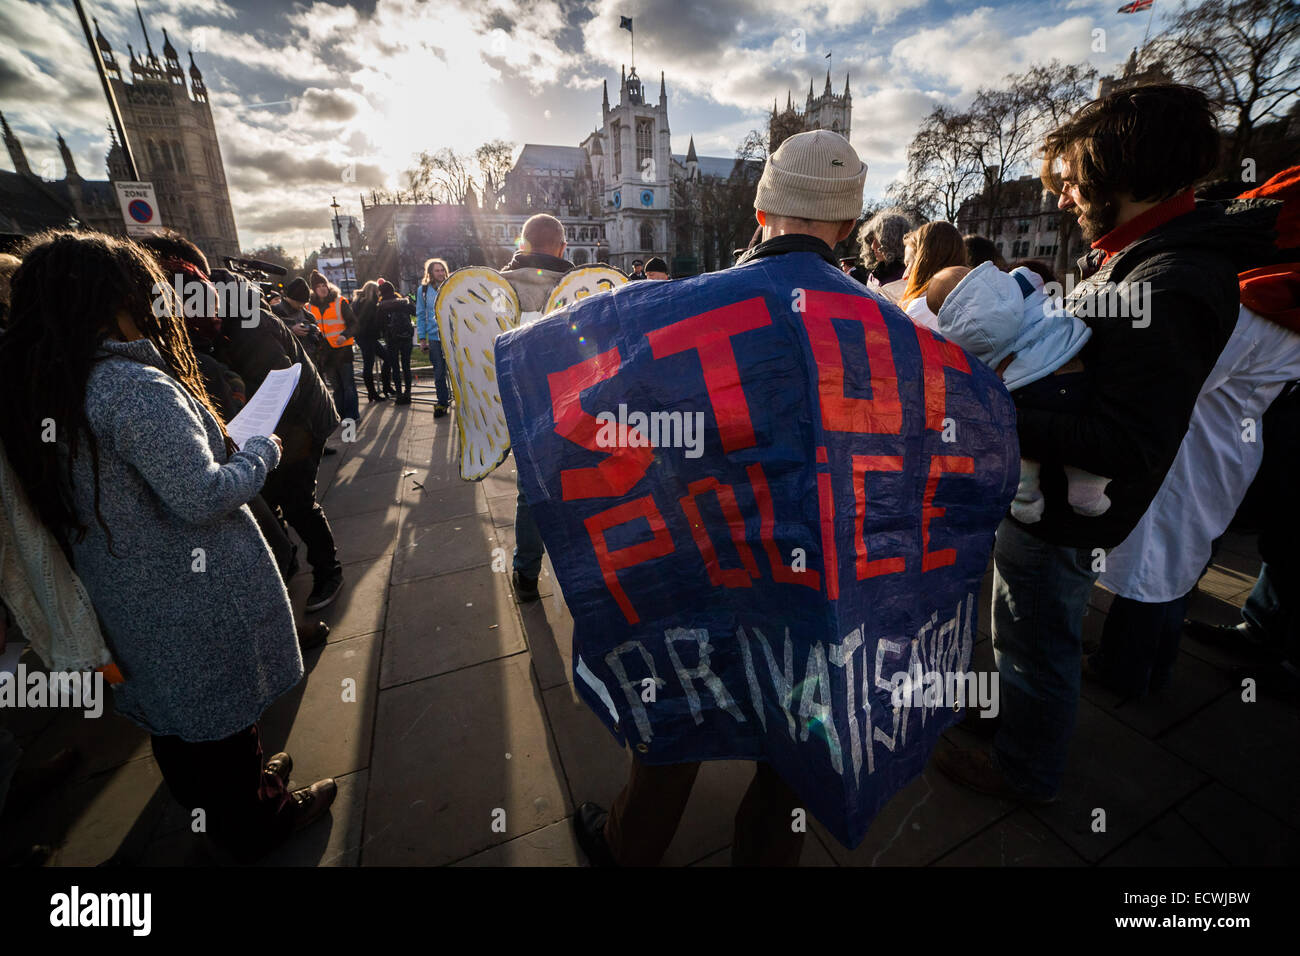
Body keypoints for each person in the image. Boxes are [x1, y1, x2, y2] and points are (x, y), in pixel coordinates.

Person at [933, 83, 1280, 804]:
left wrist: (988, 406)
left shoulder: (1173, 280)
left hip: (1066, 510)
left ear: (1126, 178)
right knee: (1018, 625)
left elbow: (1124, 440)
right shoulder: (1144, 255)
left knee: (1040, 641)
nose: (1064, 199)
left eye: (1075, 184)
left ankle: (1024, 771)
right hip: (1044, 497)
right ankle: (1006, 713)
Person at [572, 129, 884, 867]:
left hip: (699, 569)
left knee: (673, 728)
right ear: (847, 227)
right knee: (794, 760)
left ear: (757, 205)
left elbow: (601, 427)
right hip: (819, 587)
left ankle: (625, 849)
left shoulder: (677, 311)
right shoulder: (884, 326)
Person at [0, 231, 336, 862]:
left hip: (129, 595)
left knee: (181, 725)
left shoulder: (43, 386)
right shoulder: (129, 386)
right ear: (112, 299)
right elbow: (203, 494)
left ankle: (228, 799)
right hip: (191, 596)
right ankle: (260, 817)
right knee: (226, 722)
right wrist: (261, 450)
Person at [1093, 167, 1300, 697]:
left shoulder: (1254, 309)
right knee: (1176, 567)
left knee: (1153, 570)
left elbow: (1180, 374)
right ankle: (1151, 668)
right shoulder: (1280, 307)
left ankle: (1127, 676)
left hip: (1187, 455)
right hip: (1220, 452)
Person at [138, 233, 344, 628]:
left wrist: (249, 433)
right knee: (275, 498)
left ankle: (328, 570)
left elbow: (279, 386)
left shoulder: (245, 322)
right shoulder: (216, 316)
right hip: (265, 429)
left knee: (298, 501)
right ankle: (287, 564)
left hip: (298, 424)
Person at [929, 261, 1110, 524]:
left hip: (1020, 389)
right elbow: (1039, 282)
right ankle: (1086, 490)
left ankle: (1025, 498)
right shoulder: (1019, 282)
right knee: (1077, 418)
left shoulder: (959, 336)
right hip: (1067, 368)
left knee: (1024, 449)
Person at [499, 214, 574, 602]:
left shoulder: (498, 287)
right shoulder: (578, 289)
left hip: (518, 405)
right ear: (562, 248)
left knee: (530, 492)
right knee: (577, 486)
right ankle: (582, 575)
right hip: (571, 405)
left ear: (523, 245)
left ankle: (526, 575)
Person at [306, 270, 360, 427]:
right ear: (314, 289)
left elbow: (354, 324)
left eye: (325, 285)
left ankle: (352, 416)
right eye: (319, 286)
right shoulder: (309, 307)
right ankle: (341, 416)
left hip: (342, 349)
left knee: (348, 385)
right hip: (325, 352)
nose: (323, 288)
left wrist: (345, 334)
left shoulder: (340, 301)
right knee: (336, 388)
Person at [896, 221, 967, 329]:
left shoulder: (922, 308)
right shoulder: (973, 301)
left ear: (924, 262)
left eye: (908, 264)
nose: (904, 276)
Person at [415, 257, 452, 416]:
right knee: (439, 373)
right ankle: (442, 403)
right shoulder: (423, 291)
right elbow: (421, 315)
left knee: (457, 371)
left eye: (442, 269)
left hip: (453, 336)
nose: (440, 273)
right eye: (437, 270)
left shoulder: (451, 286)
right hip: (435, 338)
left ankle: (464, 401)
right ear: (430, 273)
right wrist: (422, 339)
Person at [377, 280, 417, 405]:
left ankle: (399, 394)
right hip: (406, 337)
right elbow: (415, 312)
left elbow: (378, 324)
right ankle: (408, 393)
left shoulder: (381, 306)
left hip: (391, 339)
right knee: (406, 366)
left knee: (395, 368)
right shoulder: (404, 302)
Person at [352, 280, 392, 403]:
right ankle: (376, 391)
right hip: (367, 336)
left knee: (373, 363)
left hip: (363, 337)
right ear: (373, 291)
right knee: (372, 363)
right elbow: (371, 321)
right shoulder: (370, 303)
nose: (379, 293)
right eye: (377, 291)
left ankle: (378, 390)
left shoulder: (358, 301)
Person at [859, 207, 914, 289]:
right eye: (871, 240)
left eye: (878, 241)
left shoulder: (910, 275)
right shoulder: (873, 276)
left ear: (893, 242)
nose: (872, 246)